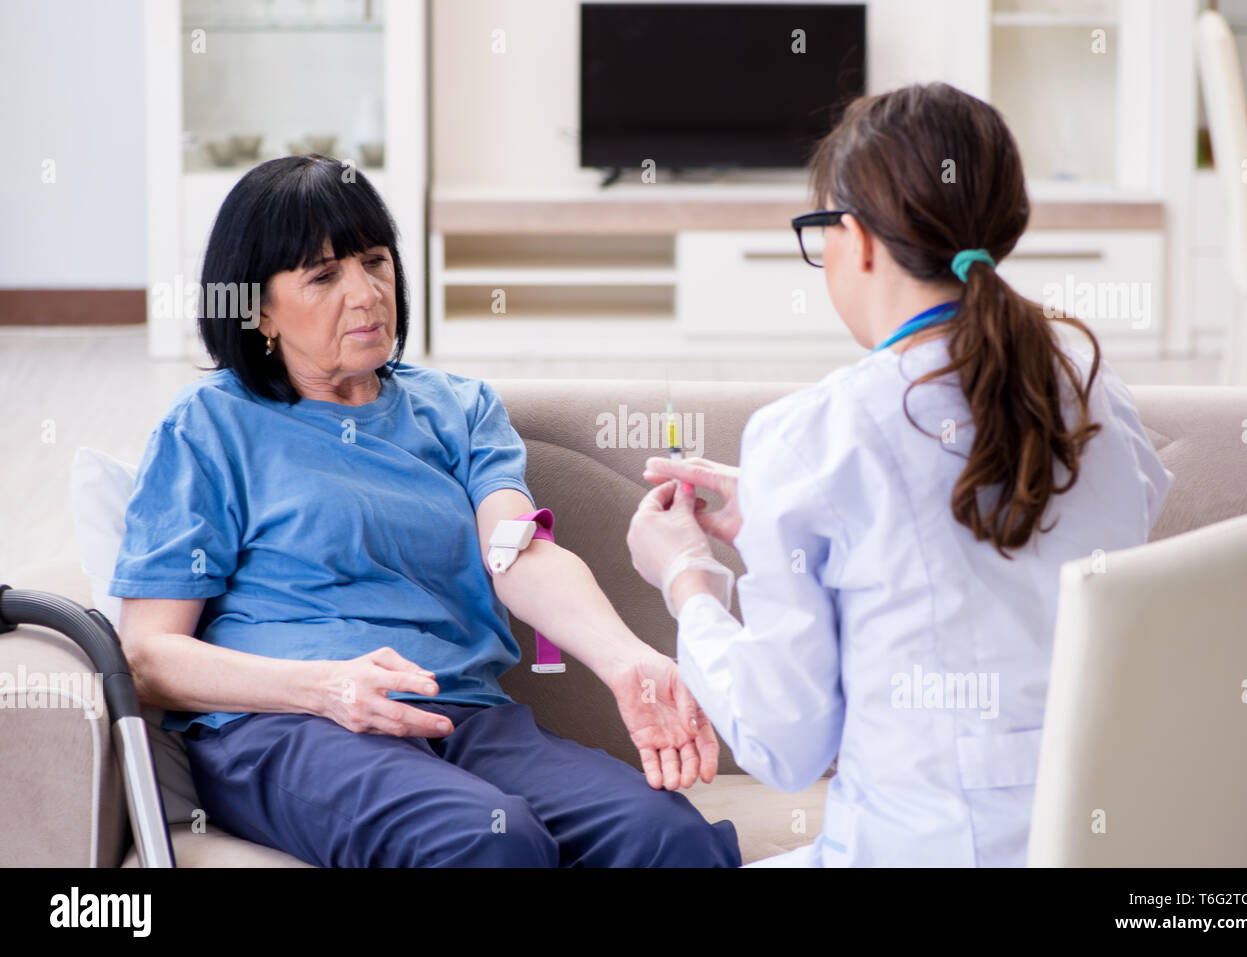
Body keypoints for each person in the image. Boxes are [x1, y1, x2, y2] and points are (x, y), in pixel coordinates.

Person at [110, 154, 740, 868]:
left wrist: (627, 661)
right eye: (323, 275)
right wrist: (325, 687)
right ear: (256, 309)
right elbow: (147, 656)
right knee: (485, 839)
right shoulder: (210, 425)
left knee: (669, 838)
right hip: (286, 727)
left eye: (375, 261)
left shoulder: (458, 409)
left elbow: (519, 553)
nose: (367, 293)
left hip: (462, 713)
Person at [625, 83, 1174, 867]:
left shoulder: (814, 433)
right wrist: (783, 516)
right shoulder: (1089, 381)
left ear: (858, 240)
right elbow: (1044, 557)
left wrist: (689, 581)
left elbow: (785, 747)